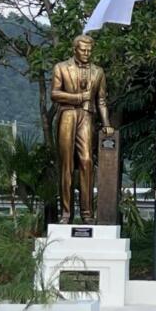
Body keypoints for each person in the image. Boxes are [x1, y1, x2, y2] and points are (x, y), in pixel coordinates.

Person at [51, 34, 113, 223]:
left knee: (86, 161)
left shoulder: (98, 72)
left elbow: (101, 100)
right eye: (83, 50)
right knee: (67, 164)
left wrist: (106, 123)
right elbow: (54, 93)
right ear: (74, 49)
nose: (86, 53)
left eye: (89, 50)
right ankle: (66, 213)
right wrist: (77, 97)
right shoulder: (61, 67)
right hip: (67, 114)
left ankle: (87, 213)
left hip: (87, 116)